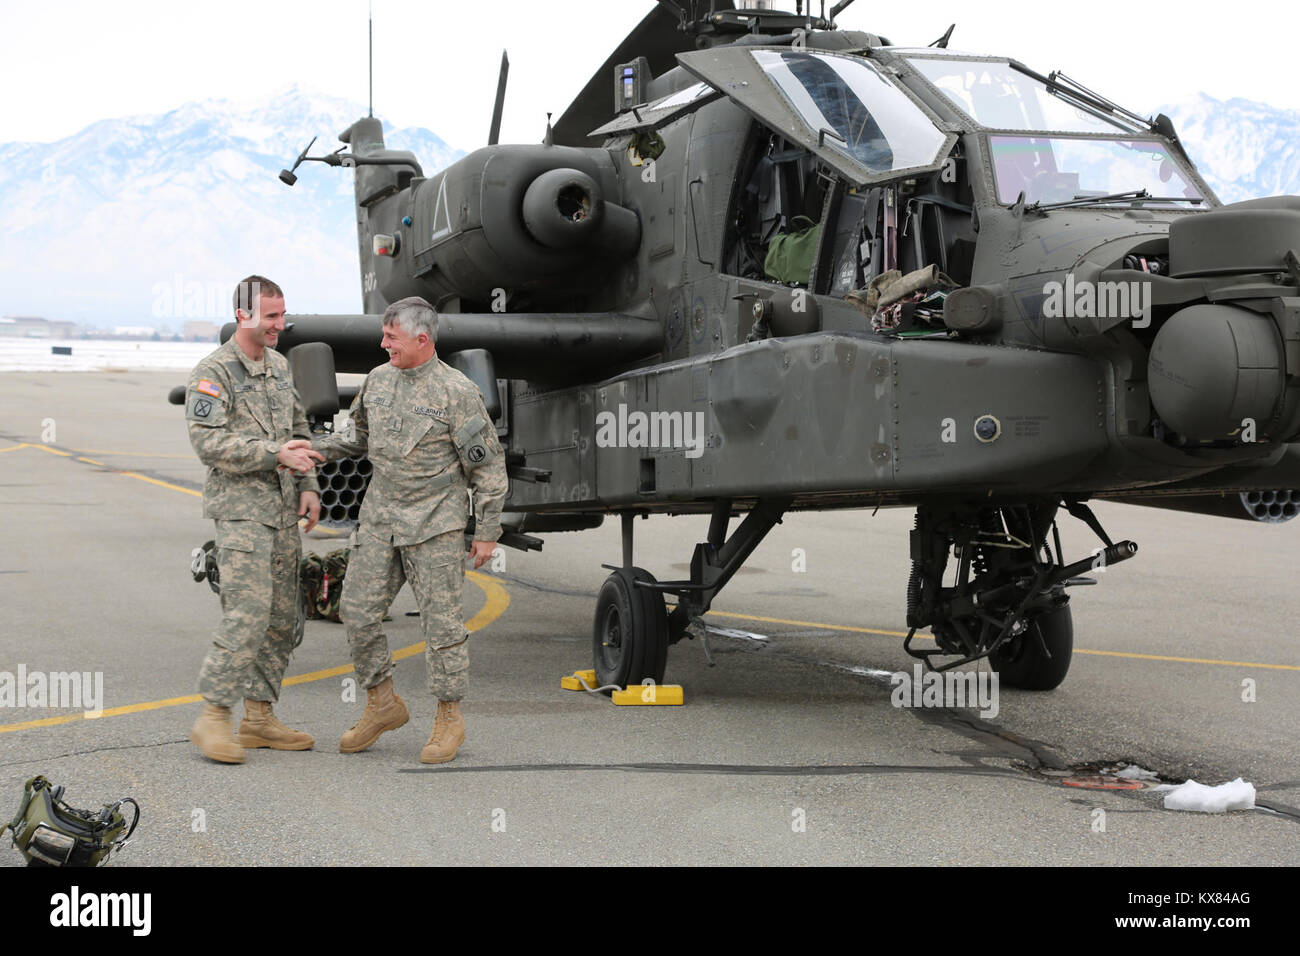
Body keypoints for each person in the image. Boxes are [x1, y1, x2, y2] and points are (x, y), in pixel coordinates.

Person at [293, 296, 507, 764]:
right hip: (380, 521)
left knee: (443, 626)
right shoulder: (378, 380)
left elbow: (487, 469)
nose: (382, 343)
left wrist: (487, 531)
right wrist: (312, 449)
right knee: (357, 611)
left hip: (436, 525)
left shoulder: (457, 392)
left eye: (391, 337)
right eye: (384, 335)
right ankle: (382, 703)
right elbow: (357, 437)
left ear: (422, 339)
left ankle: (449, 717)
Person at [185, 275, 325, 764]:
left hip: (284, 510)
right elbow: (209, 442)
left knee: (284, 619)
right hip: (242, 514)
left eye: (282, 316)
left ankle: (259, 719)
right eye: (271, 317)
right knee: (246, 616)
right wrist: (275, 455)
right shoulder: (214, 373)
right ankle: (215, 717)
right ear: (243, 314)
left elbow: (299, 425)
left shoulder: (280, 366)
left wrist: (307, 485)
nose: (279, 326)